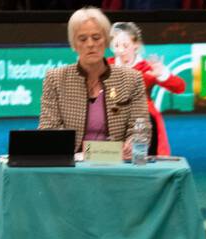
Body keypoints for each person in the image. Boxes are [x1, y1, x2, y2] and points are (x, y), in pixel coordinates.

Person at [38, 6, 150, 159]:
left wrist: (133, 145)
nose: (90, 44)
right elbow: (48, 131)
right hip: (72, 168)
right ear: (74, 45)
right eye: (83, 39)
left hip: (119, 168)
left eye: (96, 37)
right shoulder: (55, 79)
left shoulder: (132, 79)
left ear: (106, 41)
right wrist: (95, 154)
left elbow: (141, 129)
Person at [108, 22, 186, 157]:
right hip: (112, 118)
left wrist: (162, 74)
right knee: (109, 160)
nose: (120, 50)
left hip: (143, 119)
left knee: (141, 160)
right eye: (116, 46)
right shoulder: (106, 65)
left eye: (125, 46)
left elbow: (180, 87)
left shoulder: (148, 67)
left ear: (136, 45)